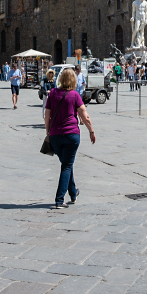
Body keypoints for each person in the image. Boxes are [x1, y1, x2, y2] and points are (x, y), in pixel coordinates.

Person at [46, 67, 96, 208]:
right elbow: (85, 116)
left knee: (66, 164)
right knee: (67, 166)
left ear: (61, 79)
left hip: (55, 136)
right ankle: (59, 199)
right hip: (71, 136)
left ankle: (73, 193)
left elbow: (47, 115)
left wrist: (48, 132)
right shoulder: (74, 95)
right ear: (74, 80)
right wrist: (91, 131)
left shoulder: (53, 93)